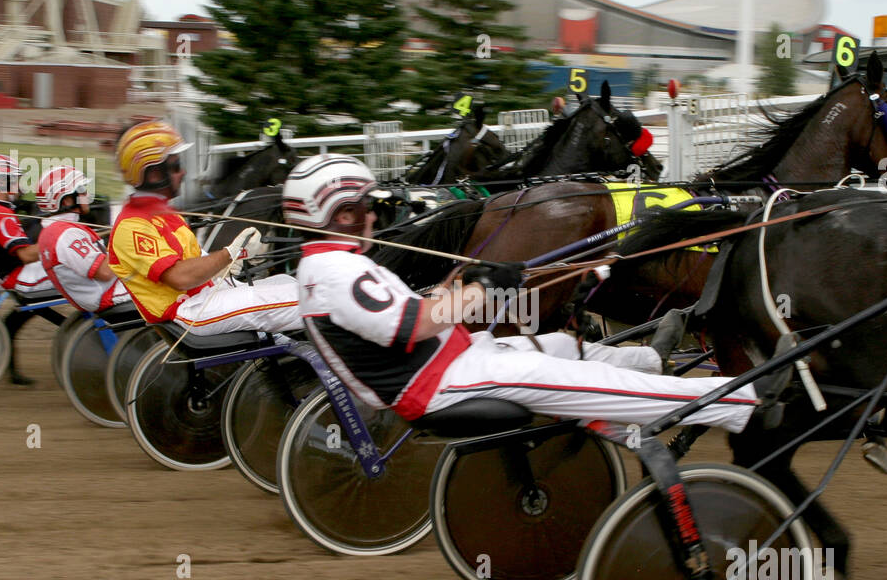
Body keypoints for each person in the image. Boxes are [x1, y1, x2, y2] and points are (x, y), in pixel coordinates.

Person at [288, 153, 778, 430]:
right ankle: (741, 403)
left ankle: (651, 359)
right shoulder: (336, 272)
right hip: (444, 380)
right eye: (367, 206)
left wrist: (463, 283)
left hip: (452, 360)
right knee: (604, 390)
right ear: (343, 213)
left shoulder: (332, 267)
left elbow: (418, 309)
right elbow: (414, 324)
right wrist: (478, 287)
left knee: (566, 345)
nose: (376, 214)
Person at [106, 120, 301, 335]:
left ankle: (288, 349)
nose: (183, 173)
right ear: (154, 174)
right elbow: (180, 278)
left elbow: (194, 258)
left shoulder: (162, 213)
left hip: (204, 296)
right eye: (176, 166)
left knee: (286, 282)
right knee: (304, 299)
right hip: (187, 311)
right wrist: (229, 253)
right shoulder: (132, 226)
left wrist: (228, 263)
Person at [0, 152, 66, 385]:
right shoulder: (1, 214)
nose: (19, 186)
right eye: (13, 181)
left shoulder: (0, 211)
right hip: (18, 277)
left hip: (16, 275)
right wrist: (59, 242)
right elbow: (26, 254)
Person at [34, 166, 131, 314]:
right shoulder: (65, 234)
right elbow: (105, 272)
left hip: (104, 292)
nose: (86, 194)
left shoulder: (55, 229)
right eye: (82, 190)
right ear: (67, 200)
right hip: (108, 295)